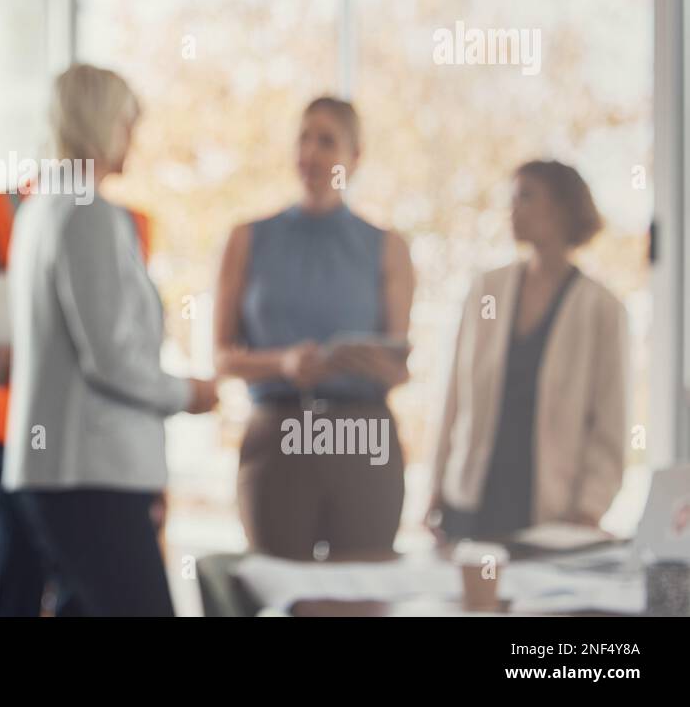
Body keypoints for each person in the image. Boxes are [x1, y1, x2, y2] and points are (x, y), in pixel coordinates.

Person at [2, 64, 217, 616]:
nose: (134, 139)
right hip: (90, 474)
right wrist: (186, 394)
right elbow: (113, 358)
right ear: (103, 123)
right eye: (128, 123)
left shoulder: (43, 209)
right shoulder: (88, 213)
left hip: (61, 473)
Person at [215, 96, 415, 560]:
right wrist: (283, 362)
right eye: (303, 138)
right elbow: (222, 356)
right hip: (278, 437)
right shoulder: (247, 238)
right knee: (280, 592)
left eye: (327, 141)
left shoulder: (387, 248)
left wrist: (374, 364)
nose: (311, 153)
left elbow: (399, 364)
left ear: (355, 157)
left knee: (362, 597)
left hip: (364, 439)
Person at [0, 178, 154, 616]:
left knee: (78, 592)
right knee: (21, 581)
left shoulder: (128, 223)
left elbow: (122, 347)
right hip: (15, 436)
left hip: (87, 449)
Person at [427, 160, 628, 541]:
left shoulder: (601, 309)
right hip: (468, 502)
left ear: (561, 208)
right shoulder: (486, 291)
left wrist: (590, 509)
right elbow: (452, 397)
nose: (513, 209)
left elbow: (610, 425)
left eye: (525, 197)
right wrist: (435, 488)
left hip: (551, 514)